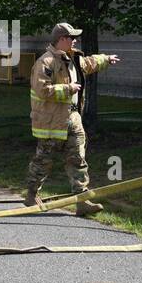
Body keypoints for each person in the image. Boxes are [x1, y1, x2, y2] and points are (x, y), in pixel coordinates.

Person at [25, 22, 120, 216]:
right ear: (61, 39)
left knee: (78, 159)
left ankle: (82, 202)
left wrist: (106, 59)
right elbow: (41, 90)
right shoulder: (45, 63)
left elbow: (89, 63)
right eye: (71, 37)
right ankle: (31, 194)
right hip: (51, 122)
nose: (75, 40)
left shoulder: (74, 58)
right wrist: (68, 89)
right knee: (43, 160)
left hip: (73, 117)